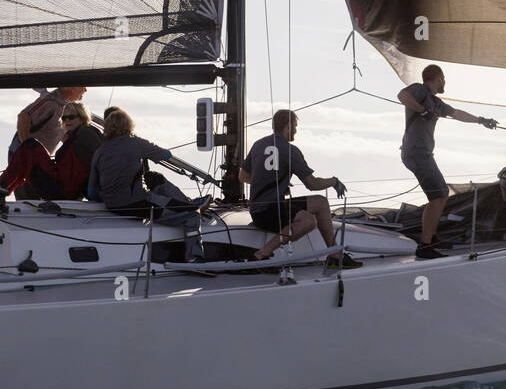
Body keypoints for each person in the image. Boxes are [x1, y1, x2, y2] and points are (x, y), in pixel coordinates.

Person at [239, 109, 361, 269]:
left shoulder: (258, 144)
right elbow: (312, 184)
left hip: (257, 209)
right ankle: (261, 255)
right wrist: (334, 181)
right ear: (288, 126)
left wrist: (270, 183)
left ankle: (335, 255)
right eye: (295, 126)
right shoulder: (291, 151)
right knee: (309, 221)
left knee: (321, 202)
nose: (296, 130)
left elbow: (243, 176)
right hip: (268, 211)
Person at [399, 65, 497, 258]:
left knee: (439, 194)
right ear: (438, 78)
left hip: (422, 153)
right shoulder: (421, 90)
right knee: (439, 195)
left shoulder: (436, 102)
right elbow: (402, 95)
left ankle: (431, 238)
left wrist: (481, 120)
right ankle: (425, 246)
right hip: (416, 153)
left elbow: (456, 113)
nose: (444, 82)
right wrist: (422, 110)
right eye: (443, 79)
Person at [87, 108, 210, 222]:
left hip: (111, 205)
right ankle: (191, 211)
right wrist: (145, 150)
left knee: (155, 188)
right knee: (193, 215)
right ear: (129, 124)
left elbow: (92, 191)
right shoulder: (135, 143)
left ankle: (188, 205)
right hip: (135, 203)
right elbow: (166, 155)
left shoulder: (100, 151)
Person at [0, 102, 102, 202]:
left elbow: (99, 158)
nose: (67, 120)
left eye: (71, 117)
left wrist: (96, 189)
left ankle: (2, 186)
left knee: (30, 146)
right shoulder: (74, 137)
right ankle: (4, 188)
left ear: (82, 118)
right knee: (28, 154)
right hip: (63, 187)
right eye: (64, 118)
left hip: (62, 188)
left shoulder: (86, 133)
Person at [4, 85, 87, 199]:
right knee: (28, 199)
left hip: (38, 159)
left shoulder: (65, 109)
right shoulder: (50, 102)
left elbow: (61, 135)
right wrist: (27, 148)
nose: (85, 90)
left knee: (36, 198)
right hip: (23, 156)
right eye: (83, 86)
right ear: (70, 87)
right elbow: (23, 117)